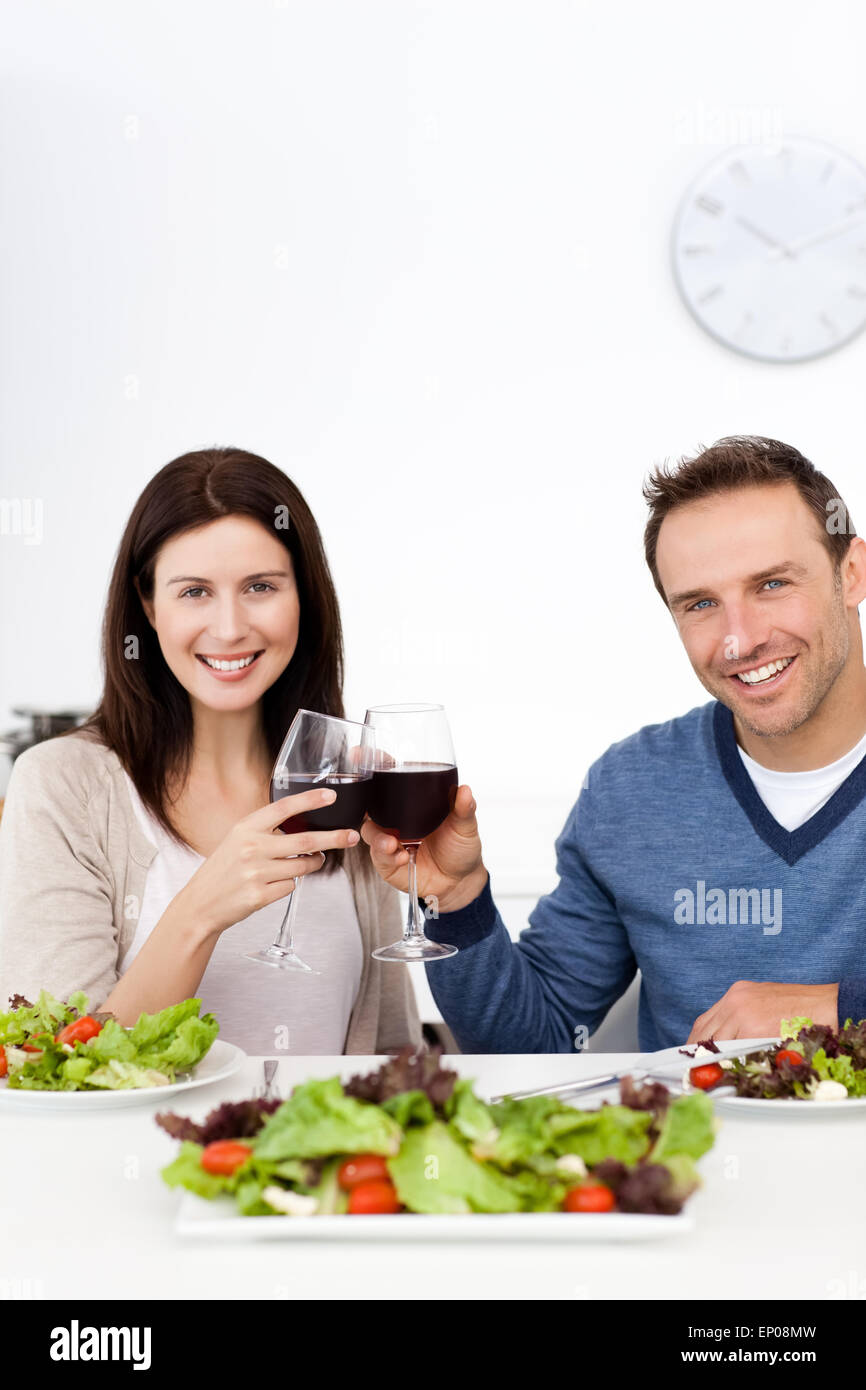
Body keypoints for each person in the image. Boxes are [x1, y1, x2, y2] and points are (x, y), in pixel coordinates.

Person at [362, 436, 866, 1051]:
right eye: (701, 603)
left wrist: (838, 1007)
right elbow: (533, 1046)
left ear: (852, 574)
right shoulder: (632, 789)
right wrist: (458, 899)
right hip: (695, 1147)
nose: (739, 640)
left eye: (772, 584)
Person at [0, 447, 421, 1055]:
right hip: (138, 1155)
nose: (228, 627)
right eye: (194, 591)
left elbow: (394, 1053)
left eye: (260, 586)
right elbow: (48, 1061)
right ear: (148, 607)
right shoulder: (62, 786)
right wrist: (201, 910)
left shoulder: (346, 782)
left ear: (303, 597)